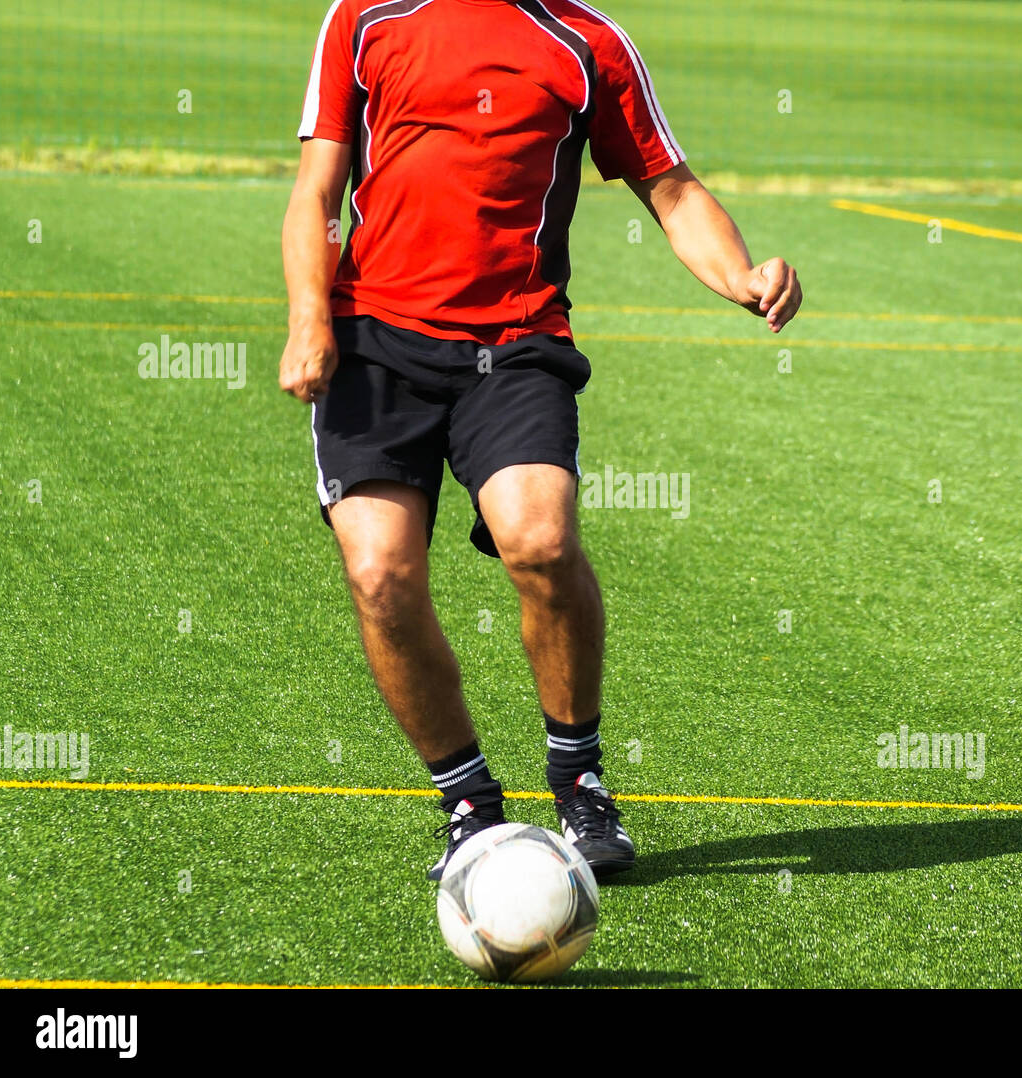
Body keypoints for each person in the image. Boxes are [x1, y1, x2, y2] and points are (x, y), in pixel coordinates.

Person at [280, 0, 802, 874]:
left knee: (544, 543)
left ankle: (580, 783)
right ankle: (469, 802)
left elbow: (671, 191)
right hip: (371, 339)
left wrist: (742, 275)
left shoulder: (586, 41)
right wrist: (309, 318)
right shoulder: (366, 19)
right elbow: (315, 194)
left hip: (516, 348)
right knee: (380, 575)